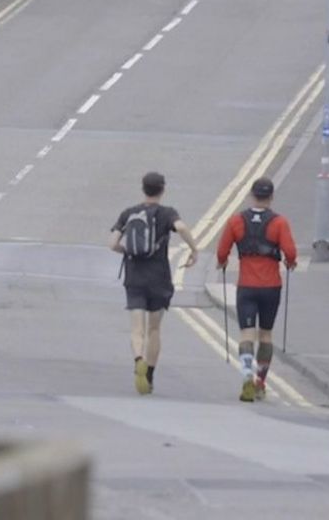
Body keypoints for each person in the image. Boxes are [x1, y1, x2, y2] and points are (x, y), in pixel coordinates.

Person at [110, 172, 199, 395]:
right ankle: (148, 375)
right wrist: (194, 249)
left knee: (137, 329)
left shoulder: (128, 213)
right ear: (162, 189)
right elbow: (180, 227)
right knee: (154, 328)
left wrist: (126, 250)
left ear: (143, 189)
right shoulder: (167, 213)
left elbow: (112, 243)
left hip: (134, 277)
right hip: (158, 278)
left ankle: (138, 358)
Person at [216, 177, 297, 402]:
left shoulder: (236, 221)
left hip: (246, 286)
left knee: (246, 335)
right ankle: (260, 383)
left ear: (252, 195)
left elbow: (222, 251)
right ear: (271, 196)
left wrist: (222, 262)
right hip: (271, 287)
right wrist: (290, 262)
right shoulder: (279, 222)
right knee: (266, 335)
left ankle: (246, 378)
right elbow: (290, 252)